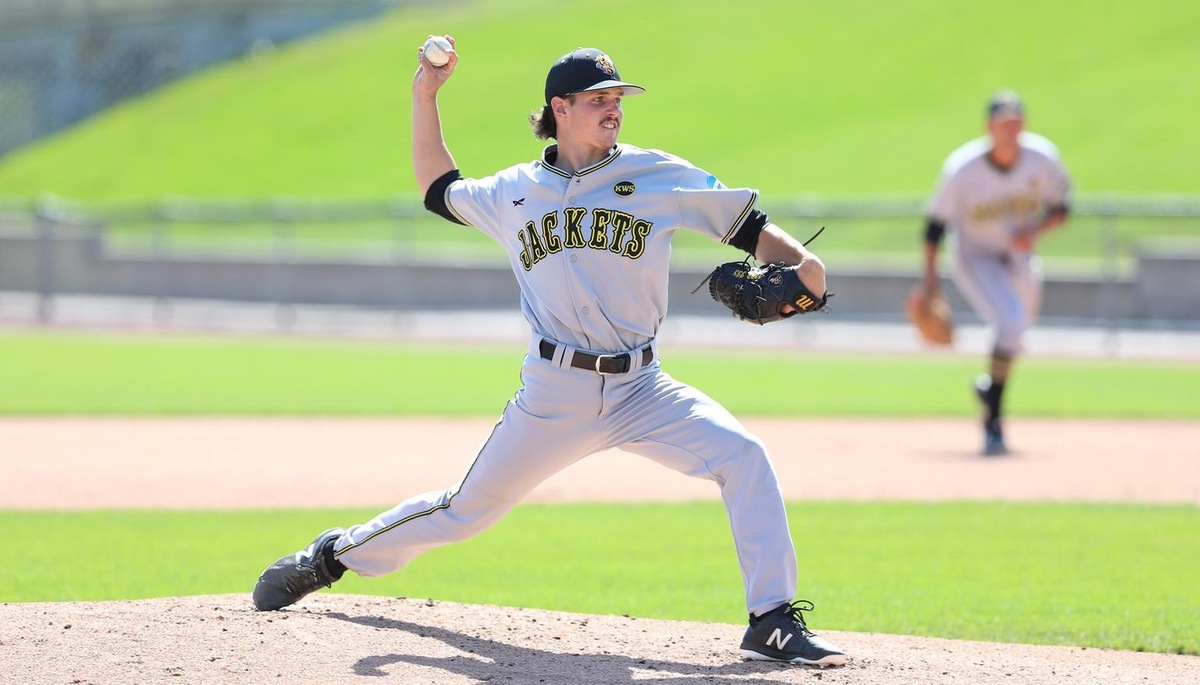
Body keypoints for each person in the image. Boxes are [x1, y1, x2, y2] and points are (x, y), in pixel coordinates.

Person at [251, 39, 847, 668]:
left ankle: (772, 620)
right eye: (599, 99)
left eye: (618, 98)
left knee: (743, 457)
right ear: (560, 108)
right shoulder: (515, 191)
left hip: (643, 388)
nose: (613, 108)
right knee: (466, 511)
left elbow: (751, 229)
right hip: (553, 392)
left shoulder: (658, 175)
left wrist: (803, 265)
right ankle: (332, 555)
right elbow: (437, 188)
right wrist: (425, 95)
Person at [921, 90, 1072, 456]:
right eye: (1003, 123)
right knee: (1010, 322)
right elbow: (934, 228)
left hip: (1019, 259)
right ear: (989, 126)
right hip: (975, 257)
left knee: (1017, 334)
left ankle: (989, 387)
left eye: (1015, 122)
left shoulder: (1041, 158)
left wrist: (1034, 232)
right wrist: (931, 287)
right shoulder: (963, 168)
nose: (1010, 129)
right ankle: (993, 425)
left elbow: (1061, 208)